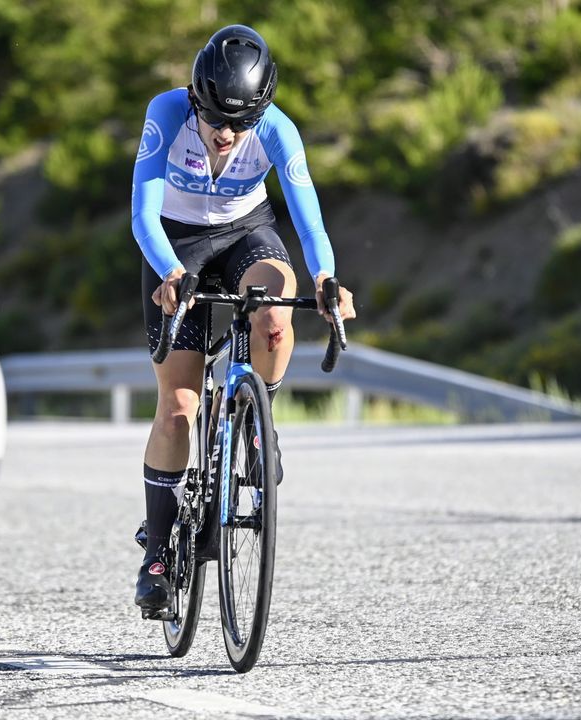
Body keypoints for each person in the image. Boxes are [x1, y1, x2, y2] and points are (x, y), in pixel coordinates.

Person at [130, 24, 356, 612]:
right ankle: (156, 552)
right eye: (216, 122)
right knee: (178, 409)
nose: (228, 135)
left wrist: (327, 277)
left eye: (242, 125)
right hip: (174, 244)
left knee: (275, 316)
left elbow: (310, 224)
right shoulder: (166, 112)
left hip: (245, 234)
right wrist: (170, 273)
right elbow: (142, 215)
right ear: (196, 101)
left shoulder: (277, 128)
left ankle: (257, 418)